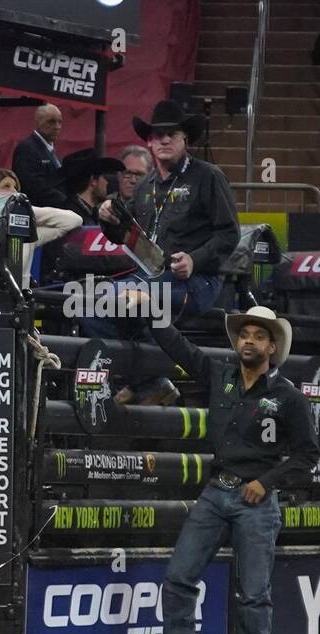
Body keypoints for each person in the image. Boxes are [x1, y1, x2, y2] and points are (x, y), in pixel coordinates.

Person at [140, 307, 318, 634]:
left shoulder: (288, 397)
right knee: (179, 576)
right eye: (244, 334)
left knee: (253, 593)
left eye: (258, 335)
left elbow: (308, 454)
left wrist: (267, 482)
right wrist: (151, 312)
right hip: (217, 491)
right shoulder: (221, 374)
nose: (248, 340)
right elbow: (181, 350)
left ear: (272, 346)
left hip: (256, 500)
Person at [96, 99, 241, 405]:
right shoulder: (146, 184)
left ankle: (149, 382)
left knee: (126, 299)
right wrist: (106, 217)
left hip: (199, 282)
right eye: (156, 134)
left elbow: (230, 234)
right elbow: (125, 233)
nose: (163, 139)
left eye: (171, 134)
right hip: (153, 276)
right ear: (148, 141)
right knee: (90, 303)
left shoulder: (208, 176)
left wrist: (194, 259)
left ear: (184, 139)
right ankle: (150, 382)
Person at [0, 168, 82, 287]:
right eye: (6, 186)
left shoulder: (26, 235)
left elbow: (73, 220)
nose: (15, 192)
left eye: (15, 187)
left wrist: (25, 212)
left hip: (16, 301)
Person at [11, 104, 67, 208]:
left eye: (60, 122)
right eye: (51, 122)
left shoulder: (50, 151)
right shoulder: (27, 149)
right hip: (39, 211)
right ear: (38, 122)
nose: (57, 127)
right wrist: (66, 202)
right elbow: (33, 187)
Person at [57, 148, 124, 226]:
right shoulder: (75, 218)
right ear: (93, 181)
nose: (106, 182)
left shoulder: (90, 213)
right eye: (103, 177)